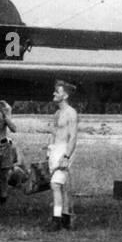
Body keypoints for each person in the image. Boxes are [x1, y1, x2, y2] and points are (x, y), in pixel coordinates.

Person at [47, 80, 79, 231]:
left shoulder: (71, 113)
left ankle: (56, 219)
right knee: (62, 186)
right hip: (55, 149)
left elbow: (73, 137)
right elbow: (55, 133)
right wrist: (49, 149)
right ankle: (66, 217)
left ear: (65, 95)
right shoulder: (57, 113)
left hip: (65, 149)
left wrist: (66, 156)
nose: (54, 94)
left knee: (55, 184)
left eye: (57, 92)